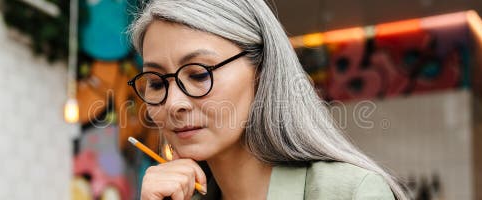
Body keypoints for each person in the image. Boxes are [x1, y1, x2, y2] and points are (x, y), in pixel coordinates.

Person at [127, 0, 406, 199]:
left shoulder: (350, 192)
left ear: (261, 71)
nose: (174, 103)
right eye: (155, 82)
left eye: (199, 75)